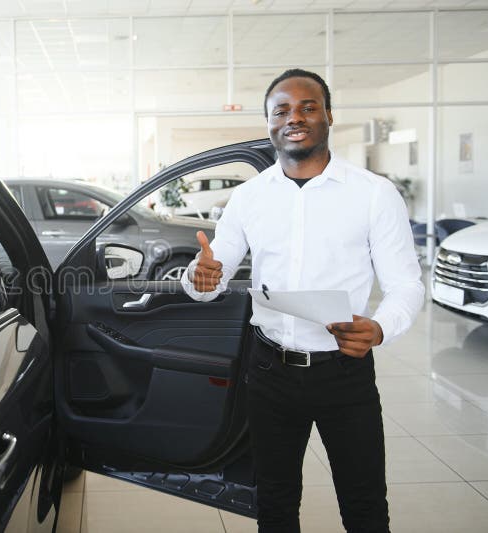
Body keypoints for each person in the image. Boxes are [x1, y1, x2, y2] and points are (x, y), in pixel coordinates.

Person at [181, 69, 424, 532]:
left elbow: (406, 285)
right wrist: (202, 275)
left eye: (308, 107)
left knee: (365, 503)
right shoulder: (250, 197)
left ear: (328, 115)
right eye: (282, 110)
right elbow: (213, 273)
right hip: (269, 370)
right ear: (269, 122)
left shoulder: (373, 194)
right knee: (273, 500)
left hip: (343, 372)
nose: (295, 117)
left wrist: (380, 327)